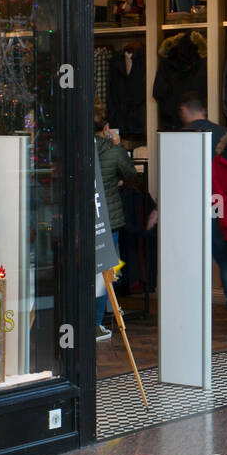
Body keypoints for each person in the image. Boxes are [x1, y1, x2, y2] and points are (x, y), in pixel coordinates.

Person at [178, 92, 227, 327]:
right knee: (224, 259)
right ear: (204, 111)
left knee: (191, 258)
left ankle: (192, 310)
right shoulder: (224, 135)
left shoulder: (183, 137)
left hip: (191, 203)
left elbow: (178, 175)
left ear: (185, 111)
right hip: (217, 201)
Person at [96, 111, 140, 340]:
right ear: (106, 128)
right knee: (107, 271)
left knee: (88, 271)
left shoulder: (79, 147)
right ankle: (97, 322)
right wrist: (119, 144)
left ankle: (87, 319)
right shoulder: (112, 151)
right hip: (109, 219)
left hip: (86, 219)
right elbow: (131, 173)